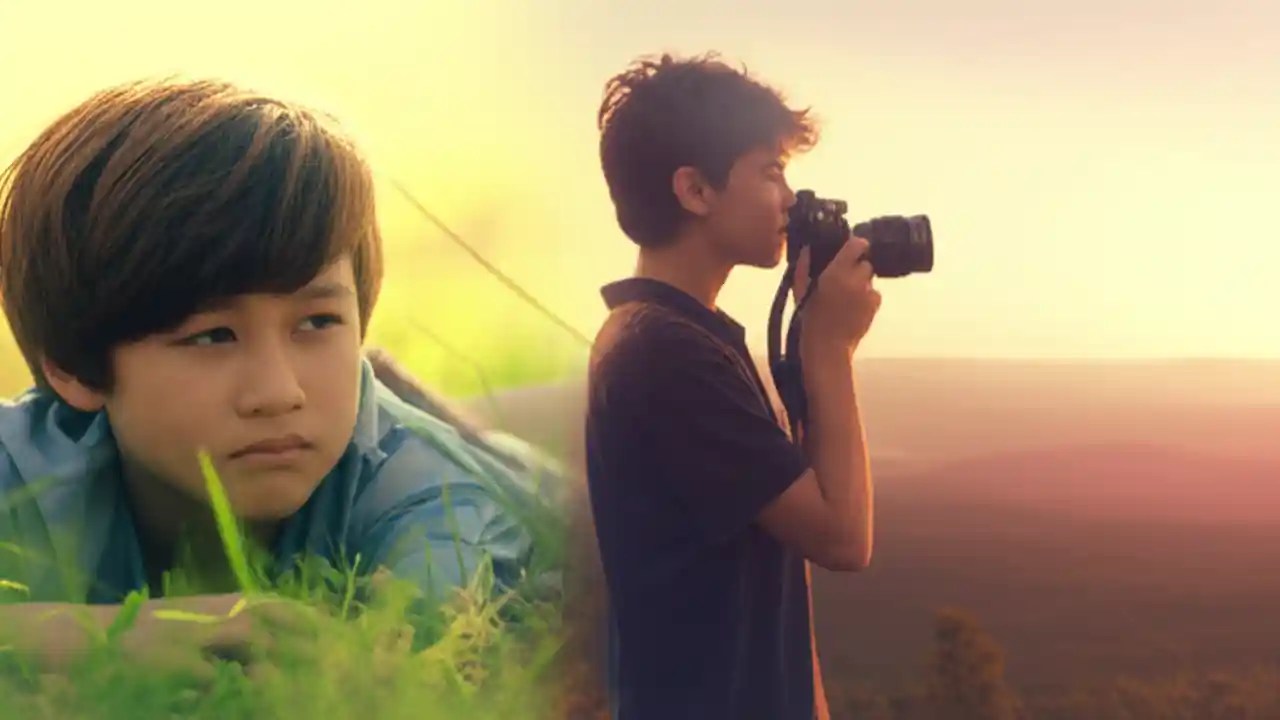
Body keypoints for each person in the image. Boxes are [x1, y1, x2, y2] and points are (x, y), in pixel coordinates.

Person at [0, 78, 554, 674]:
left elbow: (409, 665)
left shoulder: (429, 499)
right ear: (72, 367)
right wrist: (118, 635)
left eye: (318, 321)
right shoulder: (28, 463)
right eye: (213, 336)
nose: (277, 392)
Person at [584, 52, 881, 719]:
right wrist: (830, 348)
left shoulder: (681, 333)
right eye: (770, 170)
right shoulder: (667, 354)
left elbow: (778, 558)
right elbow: (842, 536)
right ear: (695, 191)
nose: (790, 199)